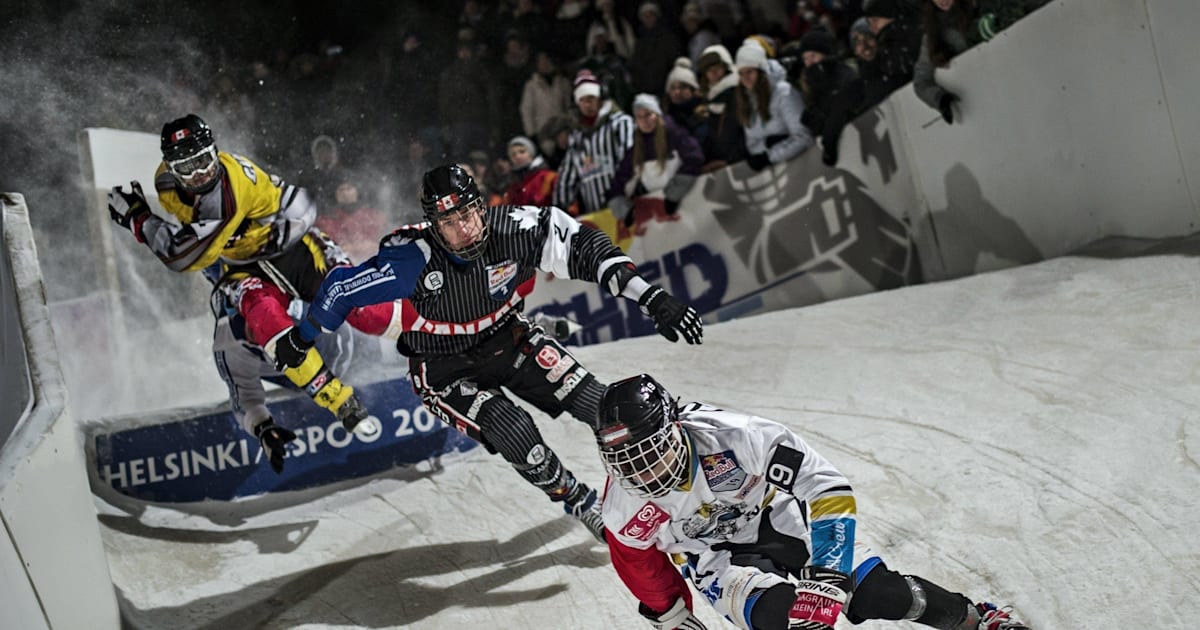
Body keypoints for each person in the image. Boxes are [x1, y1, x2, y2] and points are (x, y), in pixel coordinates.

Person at [272, 164, 704, 542]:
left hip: (508, 338)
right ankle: (580, 500)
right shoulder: (411, 260)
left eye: (468, 213)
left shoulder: (516, 227)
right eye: (449, 222)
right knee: (516, 431)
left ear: (482, 205)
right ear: (432, 226)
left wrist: (652, 299)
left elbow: (587, 247)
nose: (464, 229)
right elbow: (341, 288)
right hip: (443, 368)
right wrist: (302, 337)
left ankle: (667, 488)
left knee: (605, 407)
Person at [596, 373, 1033, 630]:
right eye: (628, 464)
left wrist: (828, 574)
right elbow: (638, 562)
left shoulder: (737, 435)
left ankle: (975, 620)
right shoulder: (623, 506)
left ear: (676, 427)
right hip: (715, 557)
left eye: (651, 454)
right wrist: (672, 615)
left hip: (776, 517)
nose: (645, 475)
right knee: (781, 620)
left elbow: (824, 486)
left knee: (875, 593)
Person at [106, 114, 400, 473]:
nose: (199, 173)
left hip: (287, 240)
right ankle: (339, 394)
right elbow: (243, 394)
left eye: (203, 161)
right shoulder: (231, 332)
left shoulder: (225, 195)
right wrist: (264, 429)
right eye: (188, 167)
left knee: (354, 300)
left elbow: (182, 254)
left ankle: (428, 326)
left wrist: (140, 219)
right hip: (257, 278)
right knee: (263, 313)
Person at [608, 94, 704, 227]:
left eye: (648, 114)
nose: (644, 120)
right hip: (661, 212)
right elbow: (620, 180)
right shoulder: (636, 149)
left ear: (657, 114)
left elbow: (694, 159)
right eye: (639, 117)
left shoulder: (675, 135)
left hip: (689, 200)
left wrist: (674, 194)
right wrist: (622, 208)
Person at [553, 70, 635, 216]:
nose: (587, 105)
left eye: (591, 98)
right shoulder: (577, 139)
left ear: (599, 98)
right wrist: (559, 212)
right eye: (582, 100)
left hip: (627, 206)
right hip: (597, 215)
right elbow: (567, 177)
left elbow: (630, 160)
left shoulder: (620, 124)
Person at [734, 39, 813, 173]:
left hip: (801, 169)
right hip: (776, 176)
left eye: (750, 72)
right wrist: (764, 149)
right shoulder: (747, 101)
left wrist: (770, 155)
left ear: (761, 71)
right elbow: (752, 144)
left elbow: (804, 136)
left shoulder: (783, 92)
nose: (745, 78)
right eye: (741, 73)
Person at [504, 135, 558, 207]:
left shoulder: (549, 177)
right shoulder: (512, 186)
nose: (518, 156)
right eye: (513, 154)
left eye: (522, 151)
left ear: (531, 153)